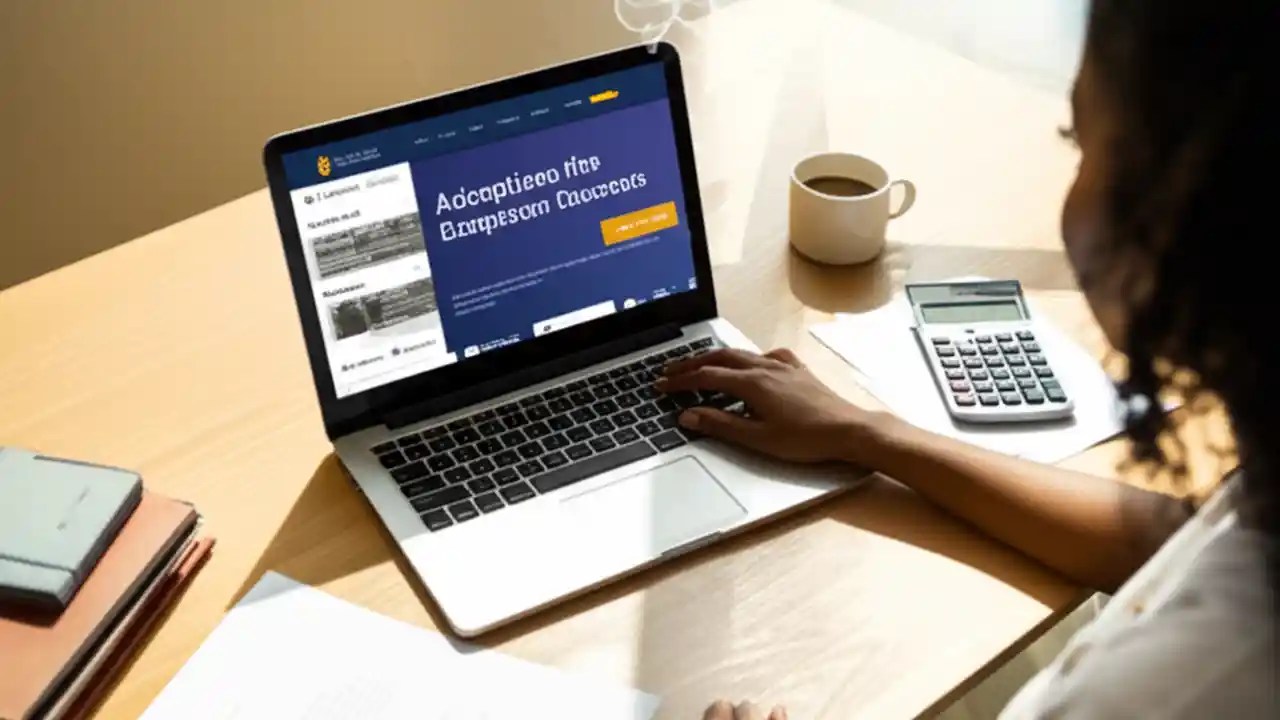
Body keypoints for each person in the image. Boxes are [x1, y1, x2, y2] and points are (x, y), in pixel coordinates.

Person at [669, 2, 1278, 718]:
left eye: (1081, 144)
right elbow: (1181, 535)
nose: (1068, 200)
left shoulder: (1164, 692)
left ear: (1192, 203)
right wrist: (867, 433)